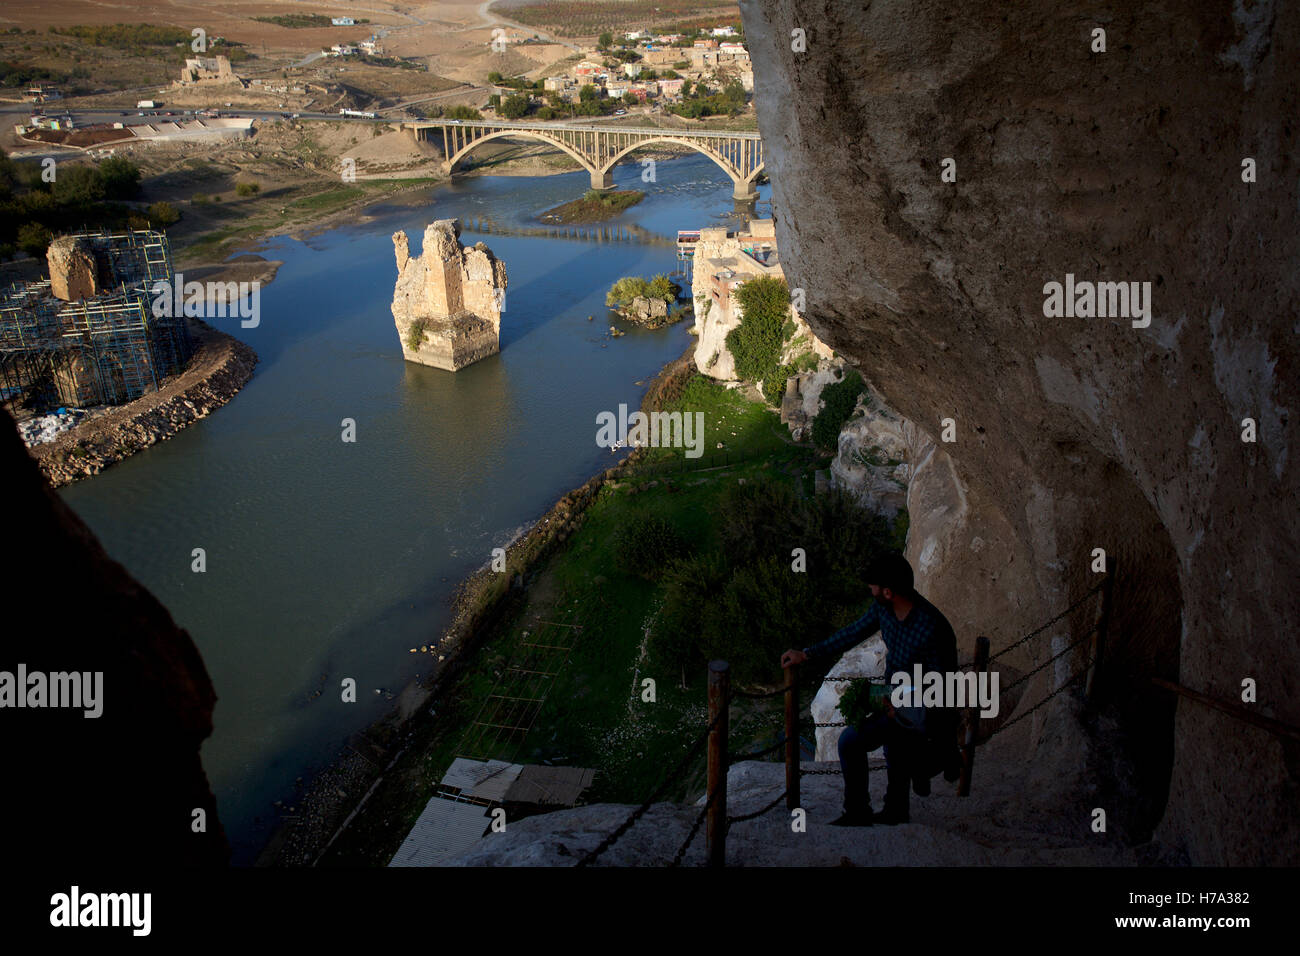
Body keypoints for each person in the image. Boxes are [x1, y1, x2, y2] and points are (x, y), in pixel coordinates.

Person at [780, 552, 960, 826]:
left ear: (888, 591)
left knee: (874, 744)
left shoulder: (932, 627)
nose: (869, 589)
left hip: (923, 706)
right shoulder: (883, 609)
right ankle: (870, 810)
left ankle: (926, 769)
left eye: (873, 585)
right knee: (868, 744)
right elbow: (853, 632)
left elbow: (941, 685)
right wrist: (807, 654)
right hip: (893, 696)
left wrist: (902, 706)